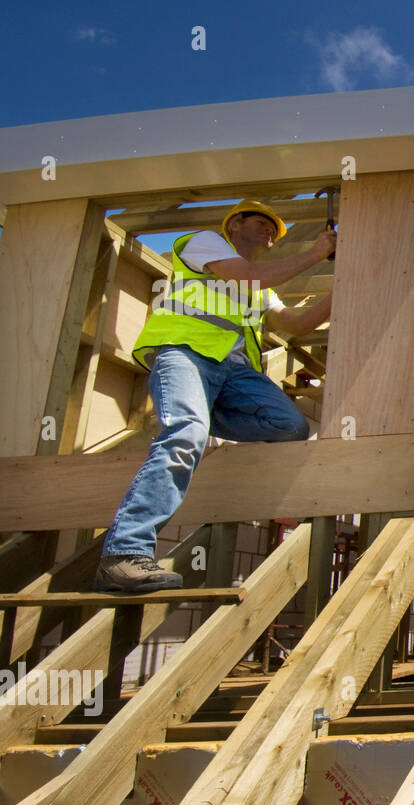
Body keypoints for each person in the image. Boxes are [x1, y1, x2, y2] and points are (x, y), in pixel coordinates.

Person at [93, 199, 336, 592]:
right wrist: (315, 253)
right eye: (261, 222)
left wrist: (344, 285)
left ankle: (198, 415)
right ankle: (124, 554)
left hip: (234, 375)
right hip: (186, 354)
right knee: (186, 433)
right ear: (234, 224)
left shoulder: (259, 291)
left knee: (289, 425)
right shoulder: (205, 243)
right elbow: (251, 276)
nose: (270, 231)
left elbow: (299, 323)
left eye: (274, 229)